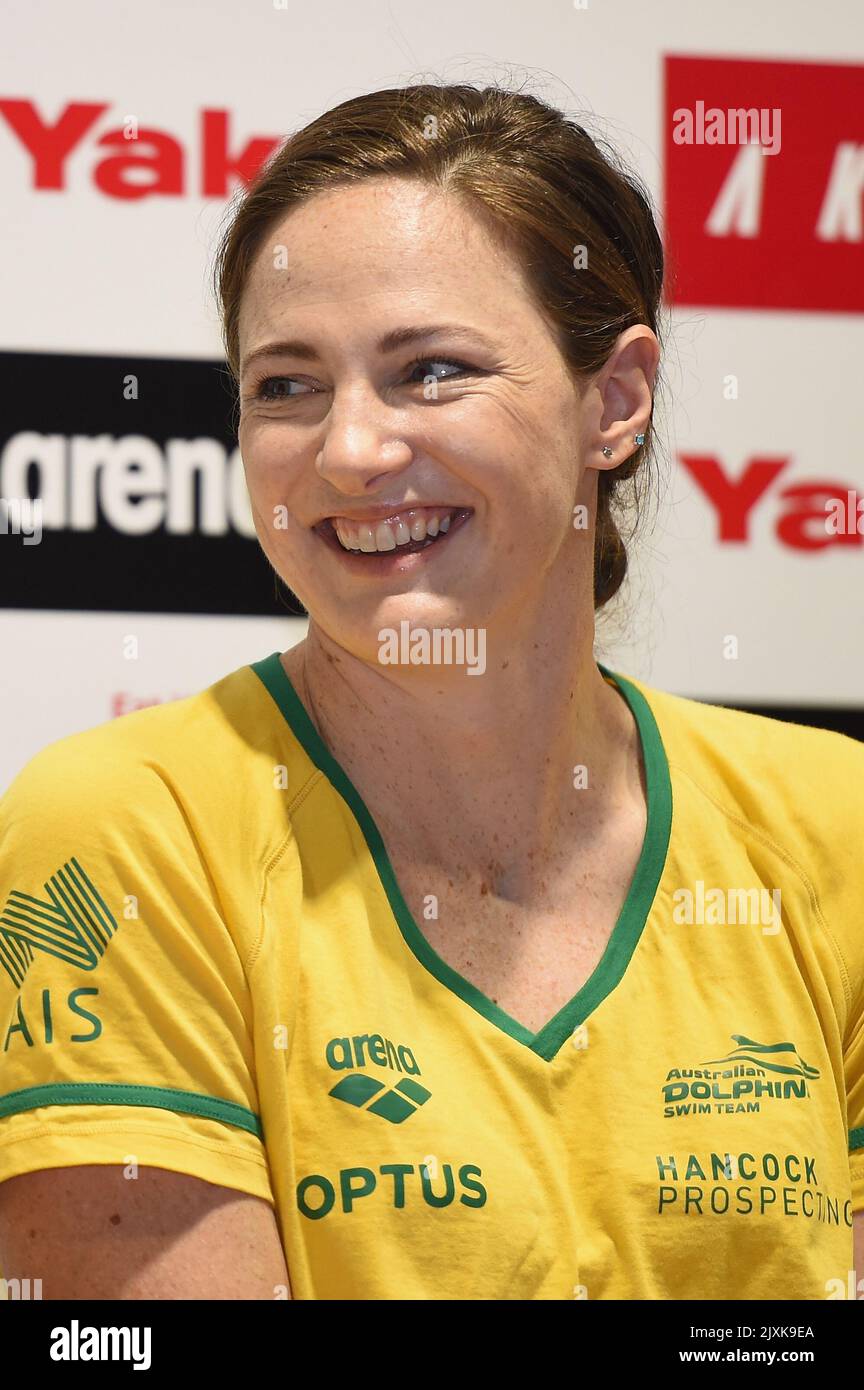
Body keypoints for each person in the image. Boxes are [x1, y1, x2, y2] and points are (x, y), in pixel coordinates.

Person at [0, 81, 862, 1302]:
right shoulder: (130, 829)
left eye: (433, 371)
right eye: (285, 386)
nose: (350, 451)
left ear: (614, 401)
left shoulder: (838, 824)